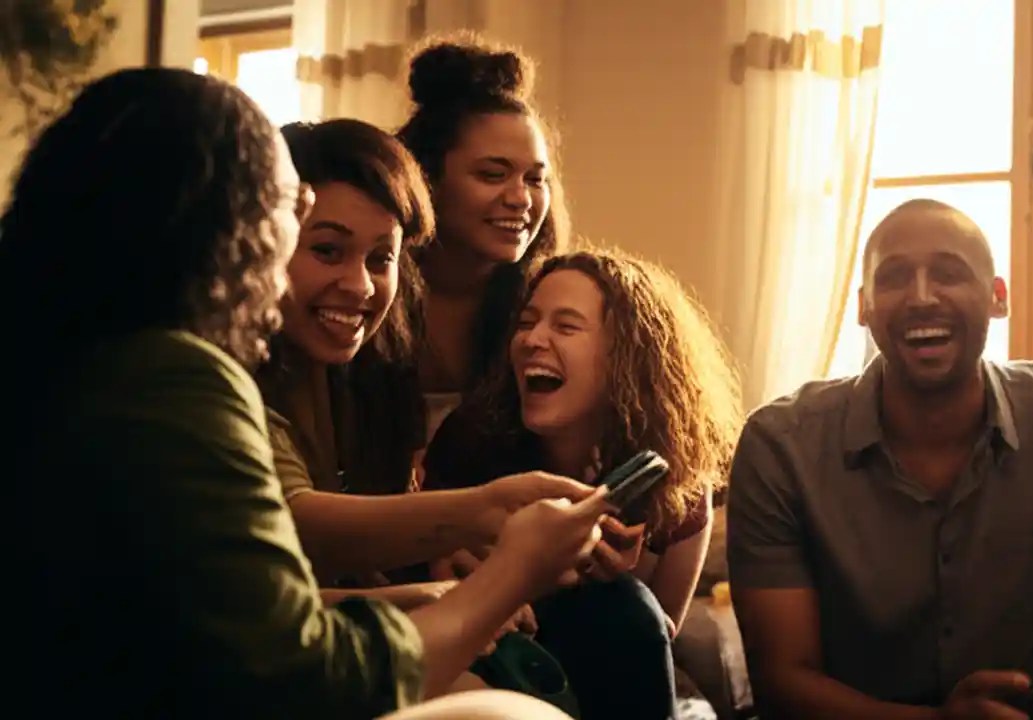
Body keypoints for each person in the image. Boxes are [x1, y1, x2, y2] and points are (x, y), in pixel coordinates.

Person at [1, 67, 604, 718]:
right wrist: (510, 568)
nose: (358, 285)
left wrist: (417, 594)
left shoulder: (58, 360)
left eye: (382, 259)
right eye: (292, 228)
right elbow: (306, 676)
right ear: (219, 229)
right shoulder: (172, 376)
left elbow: (192, 607)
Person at [728, 199, 1033, 720]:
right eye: (893, 279)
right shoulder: (780, 448)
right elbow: (783, 681)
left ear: (998, 297)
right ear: (863, 306)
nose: (922, 297)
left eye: (950, 274)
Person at [268, 119, 587, 626]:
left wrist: (454, 559)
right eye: (327, 250)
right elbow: (288, 521)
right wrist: (478, 516)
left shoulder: (371, 365)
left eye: (380, 259)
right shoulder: (229, 370)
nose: (359, 286)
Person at [423, 248, 745, 719]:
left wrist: (615, 575)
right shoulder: (471, 440)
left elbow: (660, 631)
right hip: (491, 659)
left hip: (611, 671)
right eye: (527, 322)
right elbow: (427, 576)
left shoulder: (675, 476)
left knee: (625, 607)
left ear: (627, 355)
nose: (533, 339)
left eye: (566, 326)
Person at [396, 31, 570, 444]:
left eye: (535, 179)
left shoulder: (546, 306)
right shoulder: (365, 294)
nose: (520, 199)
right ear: (425, 178)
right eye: (492, 175)